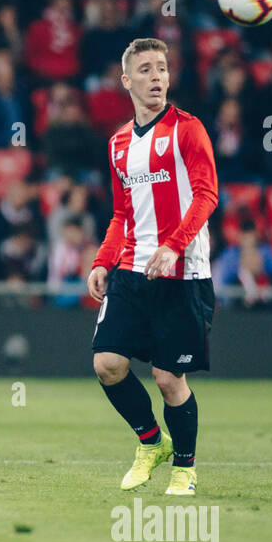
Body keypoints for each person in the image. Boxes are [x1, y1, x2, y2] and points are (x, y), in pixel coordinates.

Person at [87, 38, 218, 496]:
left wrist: (174, 246)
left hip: (183, 275)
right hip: (131, 271)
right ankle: (150, 443)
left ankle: (185, 467)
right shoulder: (119, 143)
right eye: (144, 69)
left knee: (167, 378)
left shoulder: (188, 130)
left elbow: (207, 195)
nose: (156, 76)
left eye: (161, 67)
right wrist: (103, 260)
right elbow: (123, 213)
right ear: (127, 80)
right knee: (107, 364)